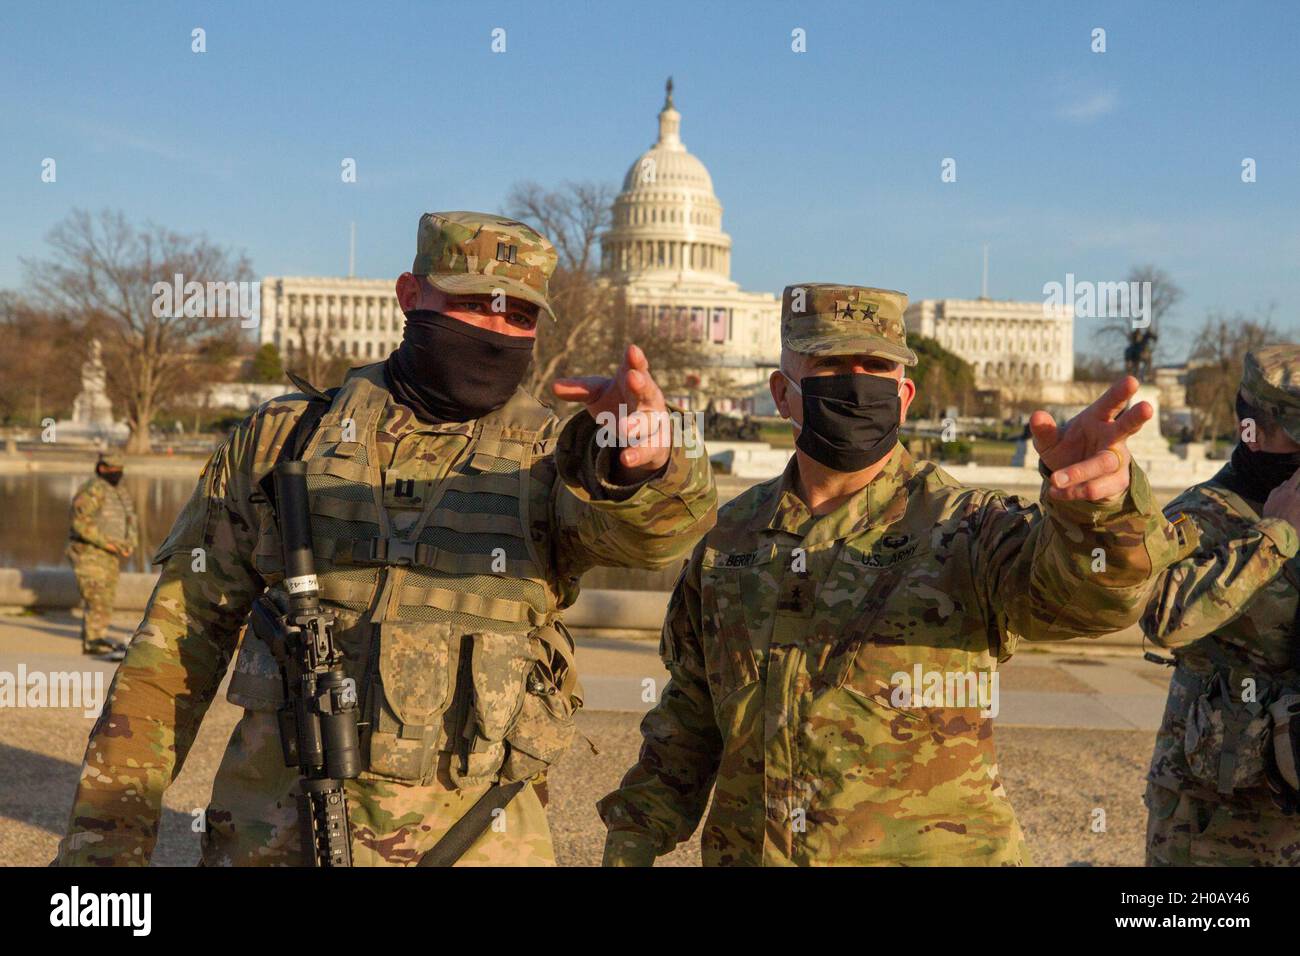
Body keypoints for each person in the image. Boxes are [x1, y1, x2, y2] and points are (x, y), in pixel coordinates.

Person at [55, 210, 716, 867]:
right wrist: (102, 855)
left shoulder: (554, 461)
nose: (495, 329)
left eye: (519, 314)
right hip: (275, 843)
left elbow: (654, 541)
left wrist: (647, 467)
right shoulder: (284, 441)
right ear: (409, 296)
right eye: (471, 303)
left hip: (479, 847)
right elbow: (170, 657)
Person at [599, 283, 1185, 866]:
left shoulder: (967, 526)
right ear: (782, 393)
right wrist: (633, 841)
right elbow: (691, 714)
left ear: (903, 397)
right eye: (830, 365)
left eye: (874, 367)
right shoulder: (728, 537)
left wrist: (1097, 519)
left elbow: (1088, 603)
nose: (856, 384)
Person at [1142, 345, 1300, 865]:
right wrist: (1274, 536)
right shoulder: (1201, 516)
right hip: (1219, 817)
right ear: (1252, 429)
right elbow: (1163, 616)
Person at [66, 451, 137, 660]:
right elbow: (80, 523)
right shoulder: (92, 489)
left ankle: (98, 637)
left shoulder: (118, 491)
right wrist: (108, 543)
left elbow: (130, 518)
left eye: (119, 469)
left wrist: (129, 543)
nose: (116, 472)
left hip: (109, 554)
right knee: (96, 596)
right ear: (101, 468)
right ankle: (93, 640)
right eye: (111, 468)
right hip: (90, 553)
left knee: (106, 597)